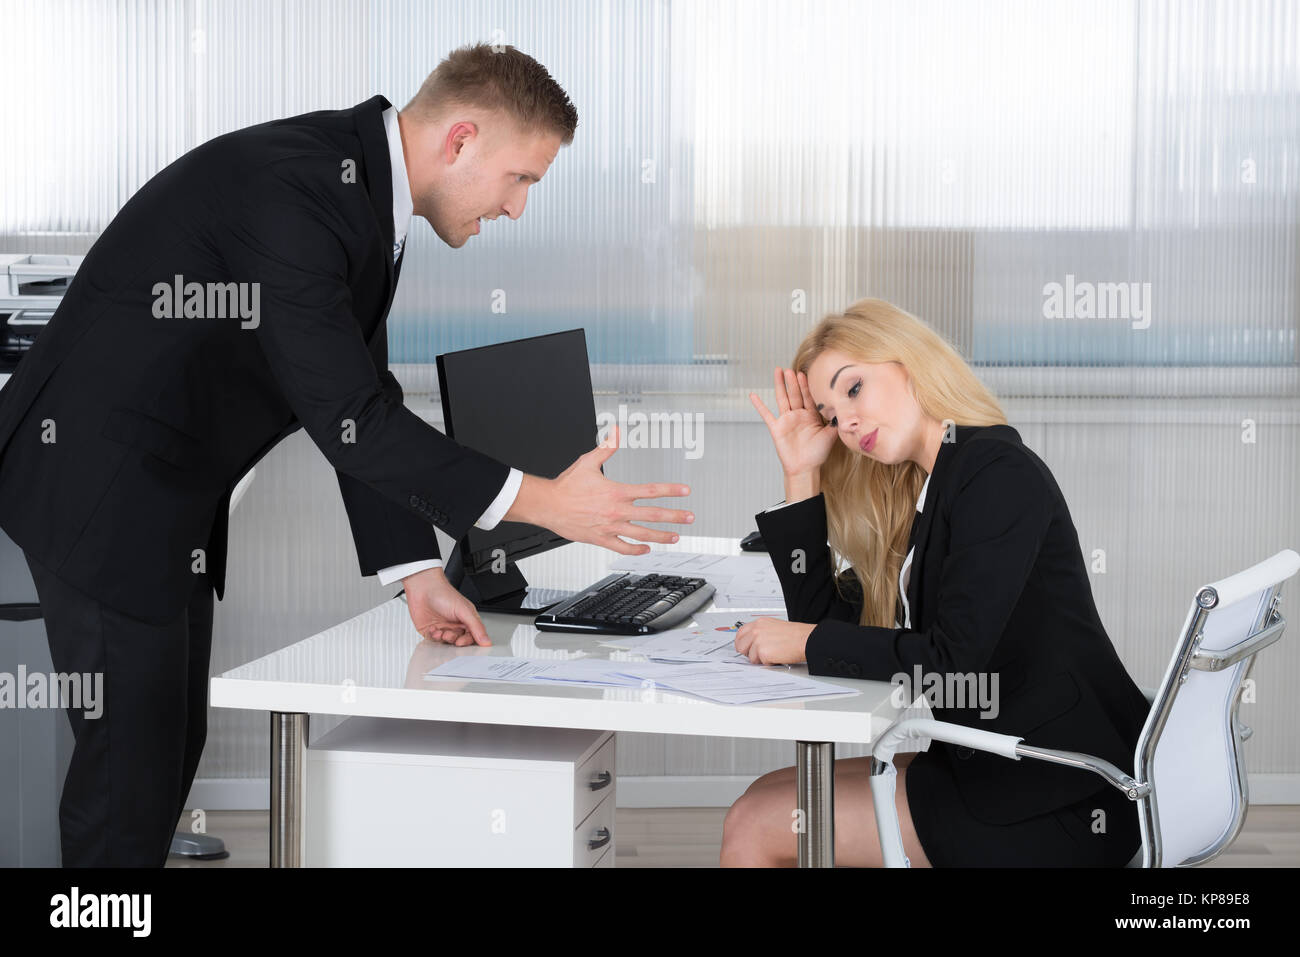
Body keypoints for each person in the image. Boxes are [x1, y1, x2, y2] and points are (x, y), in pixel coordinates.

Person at [0, 44, 693, 867]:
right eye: (522, 179)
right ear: (461, 139)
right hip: (102, 493)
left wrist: (416, 572)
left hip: (161, 498)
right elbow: (350, 415)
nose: (518, 210)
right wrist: (545, 499)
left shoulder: (356, 193)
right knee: (127, 779)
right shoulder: (301, 196)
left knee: (163, 752)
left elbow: (358, 399)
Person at [720, 298, 1149, 867]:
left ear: (911, 364)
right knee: (764, 799)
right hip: (1003, 767)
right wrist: (801, 472)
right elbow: (817, 615)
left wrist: (804, 642)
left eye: (854, 389)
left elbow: (955, 661)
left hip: (1059, 796)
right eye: (829, 413)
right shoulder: (935, 483)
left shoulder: (995, 473)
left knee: (757, 824)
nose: (845, 422)